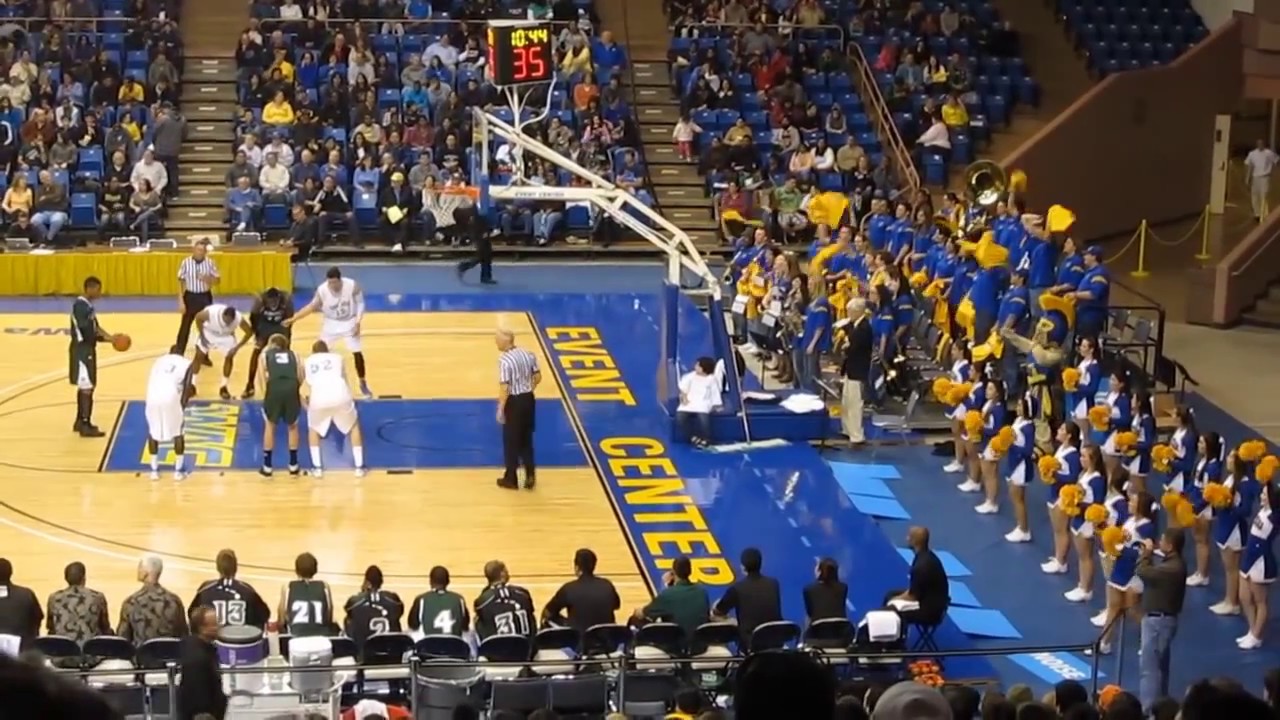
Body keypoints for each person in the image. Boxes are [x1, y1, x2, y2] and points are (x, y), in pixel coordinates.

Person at [284, 266, 372, 398]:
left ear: (340, 280)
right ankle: (314, 384)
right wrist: (294, 319)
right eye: (330, 283)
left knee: (357, 351)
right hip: (331, 323)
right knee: (319, 352)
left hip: (349, 321)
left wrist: (358, 322)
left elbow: (360, 303)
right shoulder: (322, 290)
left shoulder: (352, 285)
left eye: (335, 282)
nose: (333, 285)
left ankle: (362, 382)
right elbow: (311, 307)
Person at [1135, 527, 1188, 712]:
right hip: (1161, 621)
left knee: (1150, 669)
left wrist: (1146, 554)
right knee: (1160, 667)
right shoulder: (1174, 563)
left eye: (1163, 539)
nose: (1160, 542)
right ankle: (1161, 707)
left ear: (1170, 545)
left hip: (1158, 623)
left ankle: (1148, 710)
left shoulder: (1172, 568)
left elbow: (1143, 572)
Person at [302, 340, 367, 477]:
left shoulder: (307, 361)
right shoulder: (338, 358)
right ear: (327, 350)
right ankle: (359, 467)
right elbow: (344, 379)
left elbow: (309, 383)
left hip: (319, 396)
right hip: (340, 394)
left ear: (313, 352)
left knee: (314, 429)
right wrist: (350, 397)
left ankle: (317, 468)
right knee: (353, 426)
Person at [69, 276, 120, 437]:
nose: (100, 293)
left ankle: (79, 421)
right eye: (98, 290)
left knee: (85, 386)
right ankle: (85, 424)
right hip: (82, 351)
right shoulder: (80, 306)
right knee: (87, 388)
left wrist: (111, 338)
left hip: (87, 350)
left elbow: (96, 327)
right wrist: (108, 339)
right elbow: (88, 331)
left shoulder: (87, 306)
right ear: (89, 289)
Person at [495, 328, 540, 490]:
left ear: (505, 341)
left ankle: (511, 479)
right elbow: (537, 377)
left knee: (511, 440)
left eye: (497, 339)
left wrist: (501, 408)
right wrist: (528, 388)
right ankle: (530, 475)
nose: (496, 342)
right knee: (526, 439)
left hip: (514, 402)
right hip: (528, 399)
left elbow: (505, 388)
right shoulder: (528, 354)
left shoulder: (504, 361)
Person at [712, 547, 783, 648]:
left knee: (719, 618)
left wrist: (716, 607)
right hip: (776, 642)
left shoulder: (737, 588)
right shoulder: (774, 584)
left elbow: (719, 611)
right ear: (761, 564)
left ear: (743, 567)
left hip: (751, 644)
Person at [144, 344, 195, 482]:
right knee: (178, 433)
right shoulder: (186, 363)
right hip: (170, 398)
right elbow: (188, 389)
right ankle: (178, 472)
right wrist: (181, 406)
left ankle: (154, 471)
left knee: (153, 432)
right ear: (181, 354)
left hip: (152, 397)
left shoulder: (158, 361)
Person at [885, 526, 950, 629]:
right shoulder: (927, 556)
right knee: (890, 595)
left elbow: (912, 596)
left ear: (915, 541)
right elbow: (914, 590)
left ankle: (891, 635)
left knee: (890, 609)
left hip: (930, 612)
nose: (907, 539)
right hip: (932, 600)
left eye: (909, 536)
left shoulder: (921, 566)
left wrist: (894, 600)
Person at [543, 548, 621, 633]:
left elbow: (548, 612)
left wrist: (566, 622)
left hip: (580, 639)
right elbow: (616, 605)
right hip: (606, 638)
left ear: (577, 567)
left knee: (547, 620)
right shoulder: (607, 585)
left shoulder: (569, 588)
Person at [258, 333, 303, 477]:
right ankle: (293, 465)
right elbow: (301, 374)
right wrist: (294, 388)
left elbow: (261, 377)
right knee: (293, 426)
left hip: (274, 387)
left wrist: (266, 393)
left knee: (270, 425)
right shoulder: (295, 355)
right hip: (291, 386)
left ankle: (267, 466)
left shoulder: (264, 355)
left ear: (271, 345)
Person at [189, 549, 270, 629]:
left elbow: (192, 616)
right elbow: (264, 615)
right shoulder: (248, 590)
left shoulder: (204, 590)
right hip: (242, 636)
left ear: (217, 568)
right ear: (236, 568)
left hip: (213, 637)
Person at [118, 555, 188, 644]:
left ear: (146, 572)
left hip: (140, 652)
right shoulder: (175, 601)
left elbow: (123, 639)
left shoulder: (131, 602)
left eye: (140, 567)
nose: (138, 570)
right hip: (169, 652)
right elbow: (183, 635)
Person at [633, 555, 709, 637]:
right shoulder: (702, 592)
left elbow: (643, 613)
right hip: (699, 643)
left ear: (673, 572)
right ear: (690, 572)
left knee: (635, 620)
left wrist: (637, 611)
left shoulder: (667, 594)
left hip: (675, 643)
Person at [192, 304, 253, 401]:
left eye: (230, 321)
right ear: (223, 315)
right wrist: (202, 335)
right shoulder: (211, 313)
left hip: (225, 336)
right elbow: (198, 317)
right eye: (226, 320)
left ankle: (223, 386)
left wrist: (237, 347)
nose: (228, 323)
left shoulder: (238, 318)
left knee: (229, 357)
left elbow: (249, 332)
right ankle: (192, 384)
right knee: (199, 356)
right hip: (209, 332)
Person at [242, 287, 294, 399]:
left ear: (278, 298)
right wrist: (257, 333)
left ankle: (287, 386)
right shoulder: (259, 301)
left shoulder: (286, 299)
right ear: (267, 299)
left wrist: (287, 336)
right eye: (271, 301)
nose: (273, 304)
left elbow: (290, 318)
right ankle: (250, 385)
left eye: (275, 301)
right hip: (265, 326)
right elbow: (253, 318)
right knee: (256, 352)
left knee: (285, 355)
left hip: (280, 325)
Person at [179, 605, 226, 720]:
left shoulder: (200, 648)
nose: (219, 627)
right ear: (202, 628)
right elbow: (196, 691)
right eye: (214, 624)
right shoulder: (198, 657)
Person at [45, 561, 112, 643]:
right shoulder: (97, 597)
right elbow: (105, 628)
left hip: (62, 647)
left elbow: (51, 628)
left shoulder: (54, 598)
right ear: (83, 578)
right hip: (89, 647)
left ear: (66, 579)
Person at [175, 240, 220, 356]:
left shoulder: (210, 263)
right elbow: (180, 281)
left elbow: (217, 280)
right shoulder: (186, 262)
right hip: (190, 296)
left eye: (203, 250)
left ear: (205, 252)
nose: (200, 252)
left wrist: (207, 278)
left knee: (206, 327)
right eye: (198, 250)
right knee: (185, 326)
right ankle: (179, 352)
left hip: (205, 297)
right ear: (193, 250)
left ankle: (204, 355)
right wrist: (181, 301)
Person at [343, 565, 404, 650]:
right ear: (382, 582)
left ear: (367, 582)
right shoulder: (393, 599)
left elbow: (348, 609)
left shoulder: (356, 601)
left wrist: (363, 592)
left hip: (366, 652)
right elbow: (400, 610)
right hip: (391, 651)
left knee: (349, 619)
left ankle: (358, 648)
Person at [474, 560, 536, 639]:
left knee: (479, 619)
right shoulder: (523, 593)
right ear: (502, 574)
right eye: (507, 571)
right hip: (525, 644)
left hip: (498, 645)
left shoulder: (482, 601)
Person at [840, 296, 872, 445]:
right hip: (850, 368)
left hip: (858, 369)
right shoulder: (855, 325)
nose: (848, 314)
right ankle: (847, 429)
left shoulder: (864, 328)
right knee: (847, 401)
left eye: (850, 311)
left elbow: (854, 346)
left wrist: (846, 345)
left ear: (858, 311)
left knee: (855, 403)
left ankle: (857, 435)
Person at [279, 552, 334, 637]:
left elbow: (281, 620)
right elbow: (329, 616)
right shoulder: (324, 586)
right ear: (316, 570)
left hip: (295, 638)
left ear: (296, 570)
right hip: (321, 638)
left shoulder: (288, 587)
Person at [408, 566, 470, 637]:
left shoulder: (421, 599)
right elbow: (465, 626)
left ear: (430, 581)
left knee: (411, 633)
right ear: (448, 581)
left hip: (429, 643)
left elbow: (413, 625)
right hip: (453, 643)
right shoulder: (459, 599)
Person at [0, 559, 42, 649]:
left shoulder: (26, 594)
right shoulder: (26, 594)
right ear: (11, 573)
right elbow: (38, 618)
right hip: (22, 649)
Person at [803, 557, 849, 622]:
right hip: (841, 627)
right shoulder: (843, 588)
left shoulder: (809, 590)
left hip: (818, 627)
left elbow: (810, 613)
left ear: (819, 572)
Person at [1245, 138, 1278, 221]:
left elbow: (1276, 161)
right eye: (1258, 143)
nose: (1260, 145)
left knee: (1264, 195)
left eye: (1261, 143)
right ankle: (1257, 214)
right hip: (1255, 177)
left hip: (1265, 177)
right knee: (1255, 196)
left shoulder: (1269, 153)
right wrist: (1247, 177)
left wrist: (1273, 173)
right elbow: (1250, 166)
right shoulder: (1252, 153)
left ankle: (1264, 214)